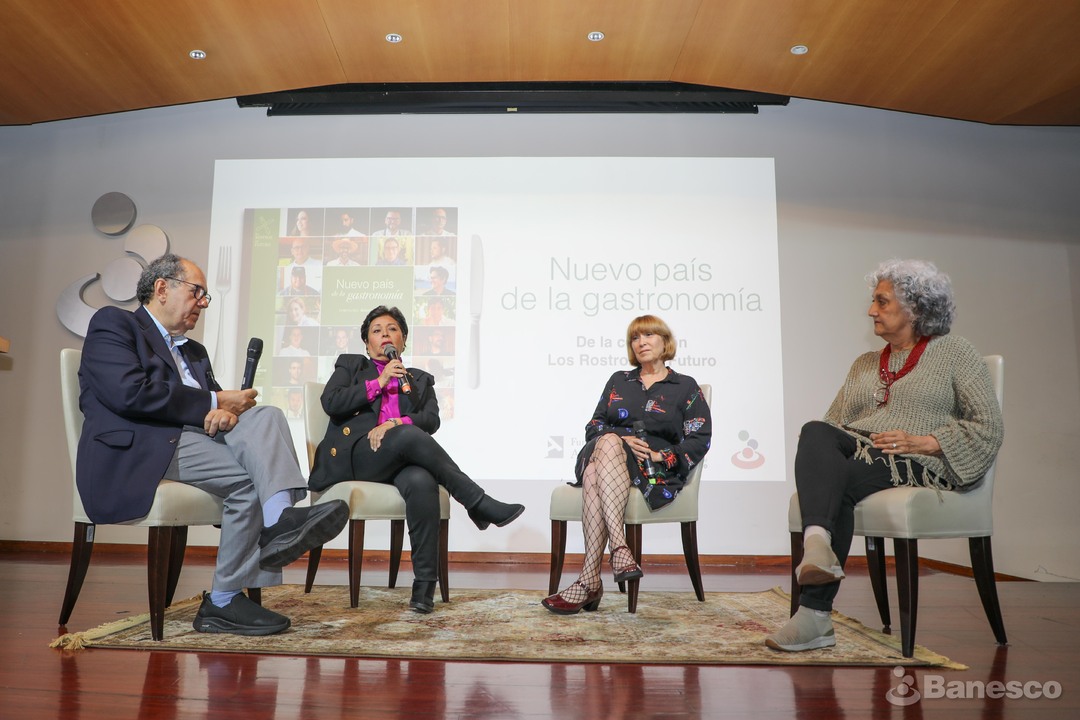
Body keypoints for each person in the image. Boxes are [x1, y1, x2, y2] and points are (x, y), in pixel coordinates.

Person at [77, 253, 348, 636]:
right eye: (197, 292)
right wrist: (214, 403)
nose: (203, 303)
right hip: (142, 445)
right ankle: (225, 598)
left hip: (192, 438)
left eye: (205, 295)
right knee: (250, 479)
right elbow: (129, 394)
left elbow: (215, 405)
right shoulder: (115, 324)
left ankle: (278, 521)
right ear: (161, 288)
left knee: (266, 415)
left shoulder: (194, 351)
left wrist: (224, 411)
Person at [765, 259, 1004, 652]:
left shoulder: (955, 352)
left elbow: (988, 426)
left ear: (916, 308)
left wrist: (924, 441)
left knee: (835, 479)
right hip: (865, 455)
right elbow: (832, 427)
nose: (871, 310)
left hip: (917, 462)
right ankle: (817, 545)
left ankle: (814, 615)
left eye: (882, 301)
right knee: (814, 432)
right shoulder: (864, 364)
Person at [308, 305, 525, 614]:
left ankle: (424, 587)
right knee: (408, 437)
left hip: (398, 460)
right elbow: (331, 402)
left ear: (404, 340)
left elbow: (431, 420)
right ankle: (476, 501)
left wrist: (395, 424)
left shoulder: (419, 379)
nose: (385, 333)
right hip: (356, 458)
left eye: (393, 329)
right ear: (367, 343)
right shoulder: (352, 365)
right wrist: (379, 382)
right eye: (377, 330)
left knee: (421, 480)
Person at [542, 315, 712, 614]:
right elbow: (594, 425)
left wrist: (662, 456)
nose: (642, 342)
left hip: (653, 469)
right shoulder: (619, 380)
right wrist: (621, 438)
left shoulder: (684, 386)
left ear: (665, 342)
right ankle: (620, 550)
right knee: (607, 442)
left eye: (649, 335)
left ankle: (589, 581)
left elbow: (700, 438)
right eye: (635, 338)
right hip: (608, 458)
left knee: (595, 471)